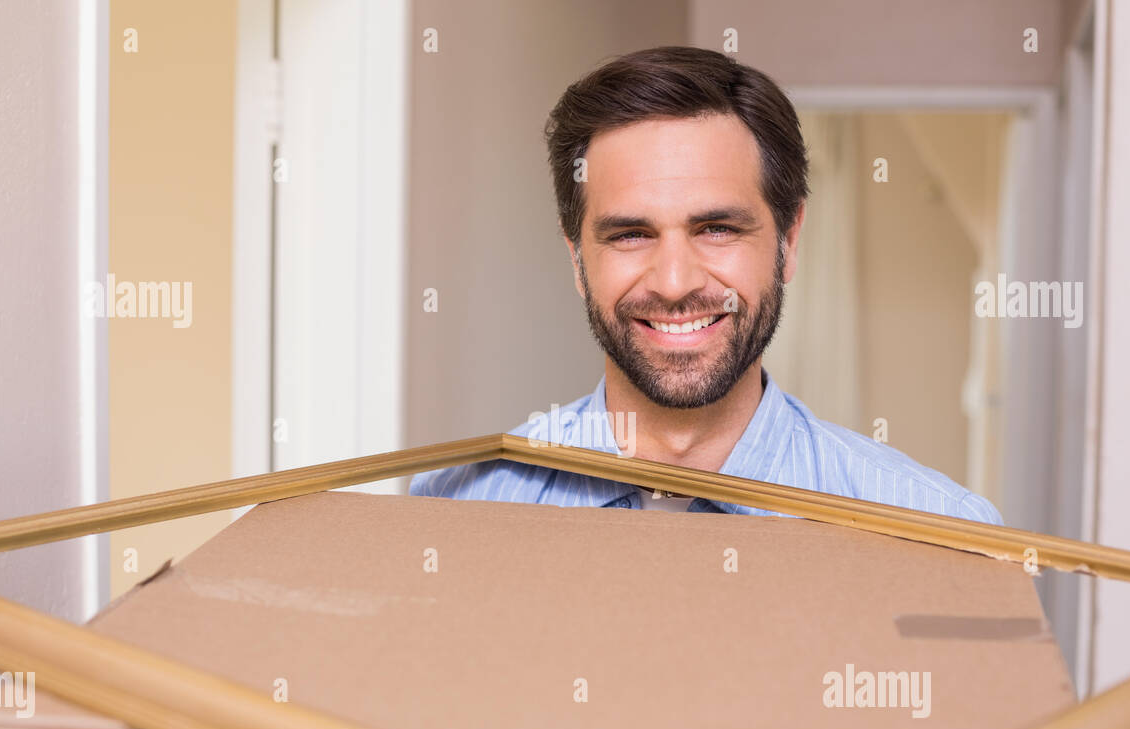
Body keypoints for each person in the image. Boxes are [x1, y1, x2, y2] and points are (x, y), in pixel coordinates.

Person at [410, 46, 1001, 524]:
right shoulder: (456, 509)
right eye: (630, 235)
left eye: (717, 229)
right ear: (576, 260)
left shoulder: (936, 531)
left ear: (789, 241)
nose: (673, 283)